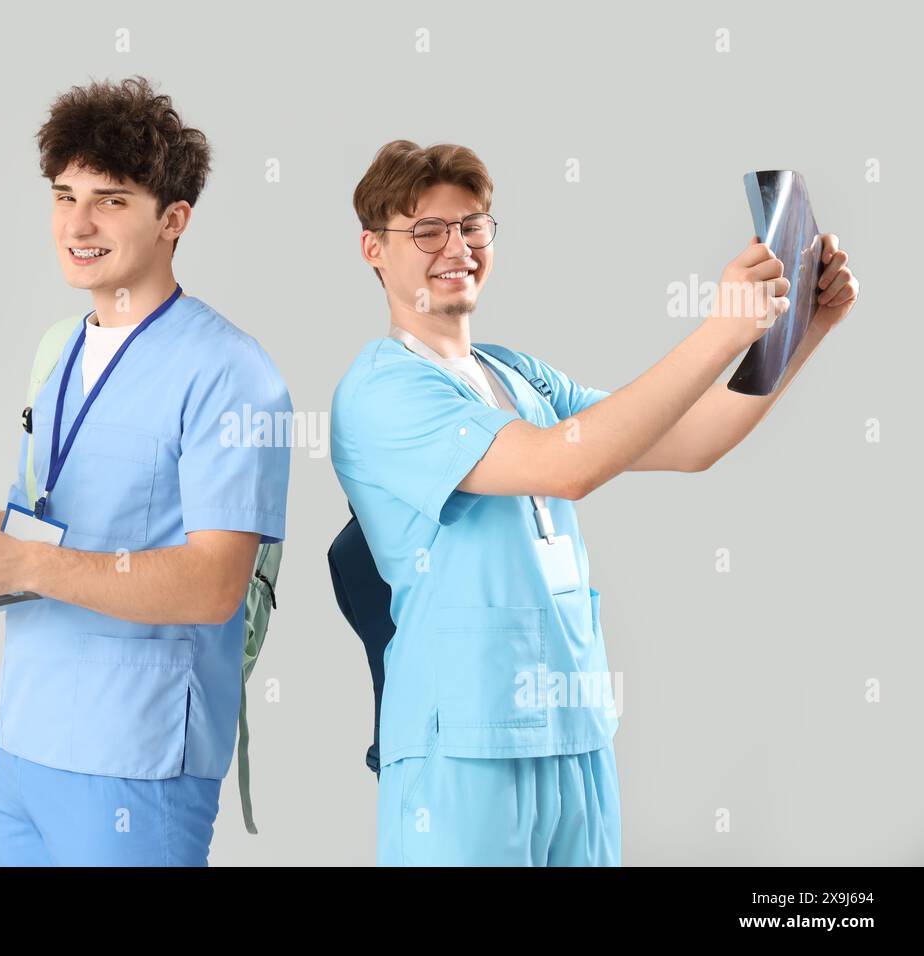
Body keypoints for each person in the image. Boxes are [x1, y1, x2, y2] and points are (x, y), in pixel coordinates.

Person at [329, 140, 859, 866]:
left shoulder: (518, 376)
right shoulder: (381, 393)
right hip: (464, 747)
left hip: (574, 730)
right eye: (428, 230)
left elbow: (691, 439)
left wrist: (803, 331)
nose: (457, 246)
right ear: (373, 250)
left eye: (473, 225)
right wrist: (721, 331)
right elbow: (562, 467)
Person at [0, 77, 292, 866]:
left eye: (110, 200)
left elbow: (217, 582)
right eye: (64, 195)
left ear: (174, 220)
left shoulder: (231, 374)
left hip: (136, 756)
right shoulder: (57, 353)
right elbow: (36, 522)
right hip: (27, 743)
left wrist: (25, 562)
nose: (77, 224)